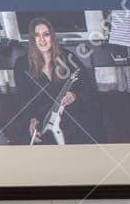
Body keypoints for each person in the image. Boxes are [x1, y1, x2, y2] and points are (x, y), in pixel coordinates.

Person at [13, 17, 89, 145]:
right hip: (41, 119)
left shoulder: (68, 58)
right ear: (32, 39)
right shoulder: (21, 65)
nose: (42, 40)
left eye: (46, 35)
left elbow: (88, 87)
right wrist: (31, 120)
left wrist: (75, 96)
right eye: (37, 35)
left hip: (69, 116)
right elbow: (23, 100)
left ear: (52, 37)